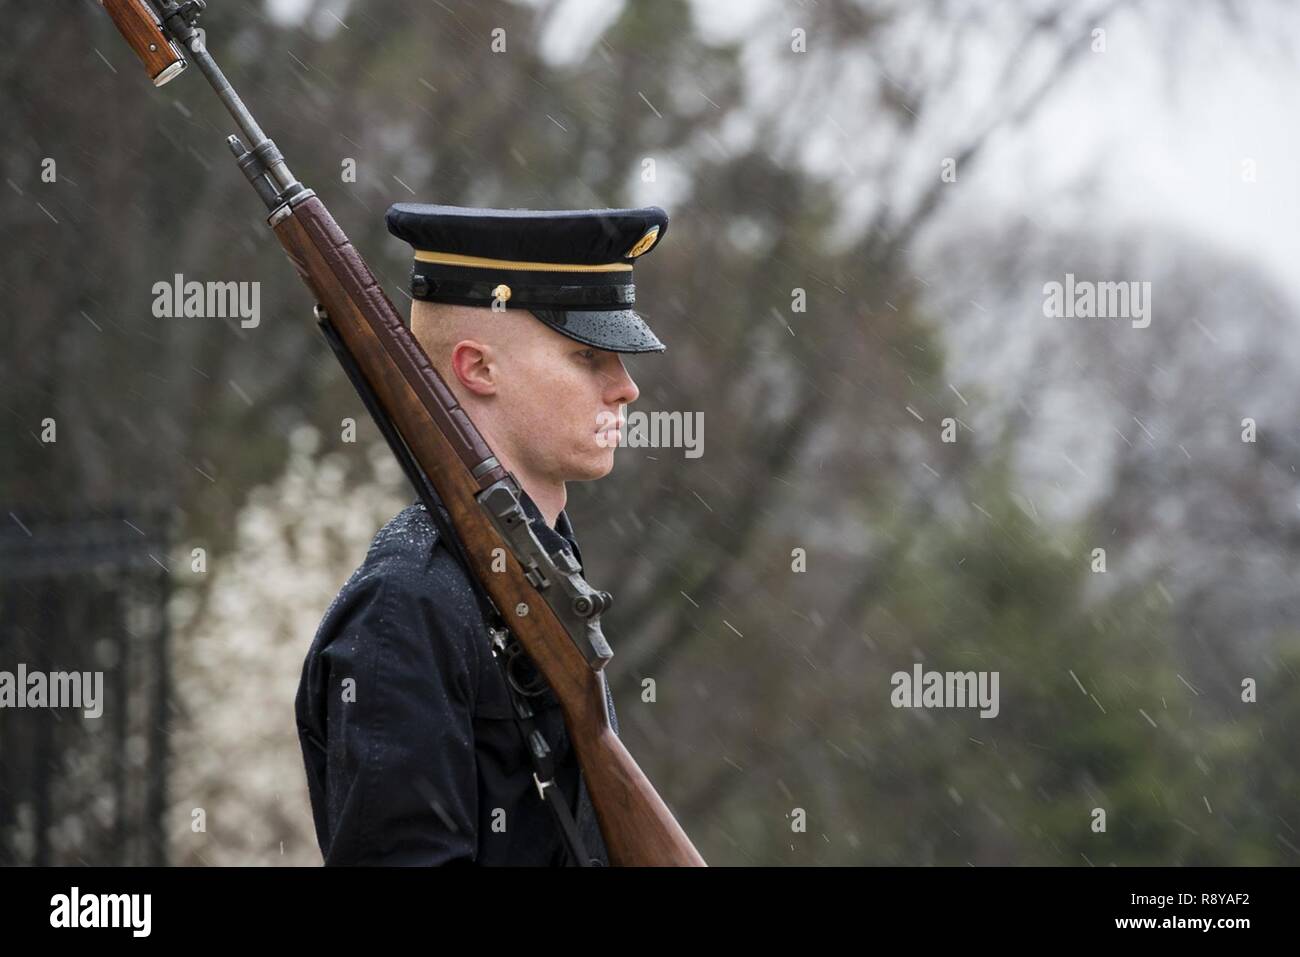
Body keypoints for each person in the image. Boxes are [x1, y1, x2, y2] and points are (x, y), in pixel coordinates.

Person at [294, 202, 670, 865]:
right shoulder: (409, 607)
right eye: (589, 357)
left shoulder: (543, 564)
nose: (626, 388)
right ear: (479, 368)